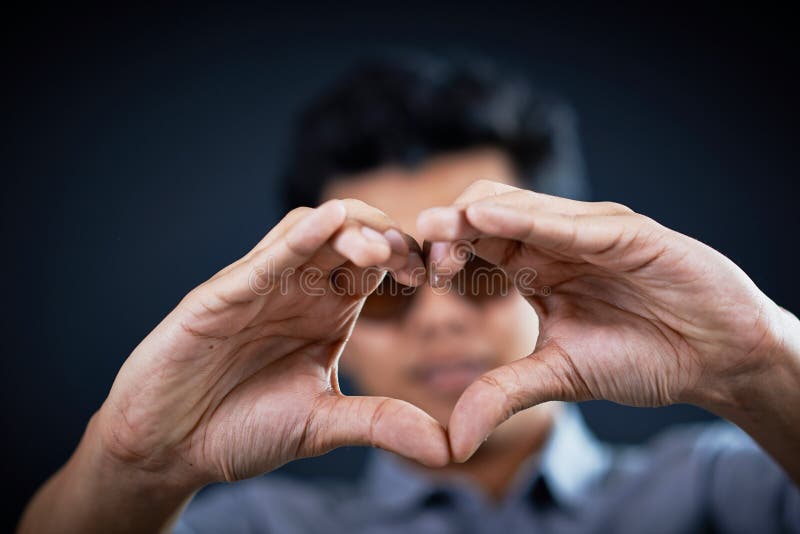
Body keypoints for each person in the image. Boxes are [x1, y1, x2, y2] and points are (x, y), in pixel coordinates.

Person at [18, 57, 800, 534]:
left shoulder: (730, 487)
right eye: (386, 291)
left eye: (482, 271)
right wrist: (135, 464)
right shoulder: (247, 526)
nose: (441, 317)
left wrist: (760, 358)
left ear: (565, 272)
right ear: (335, 320)